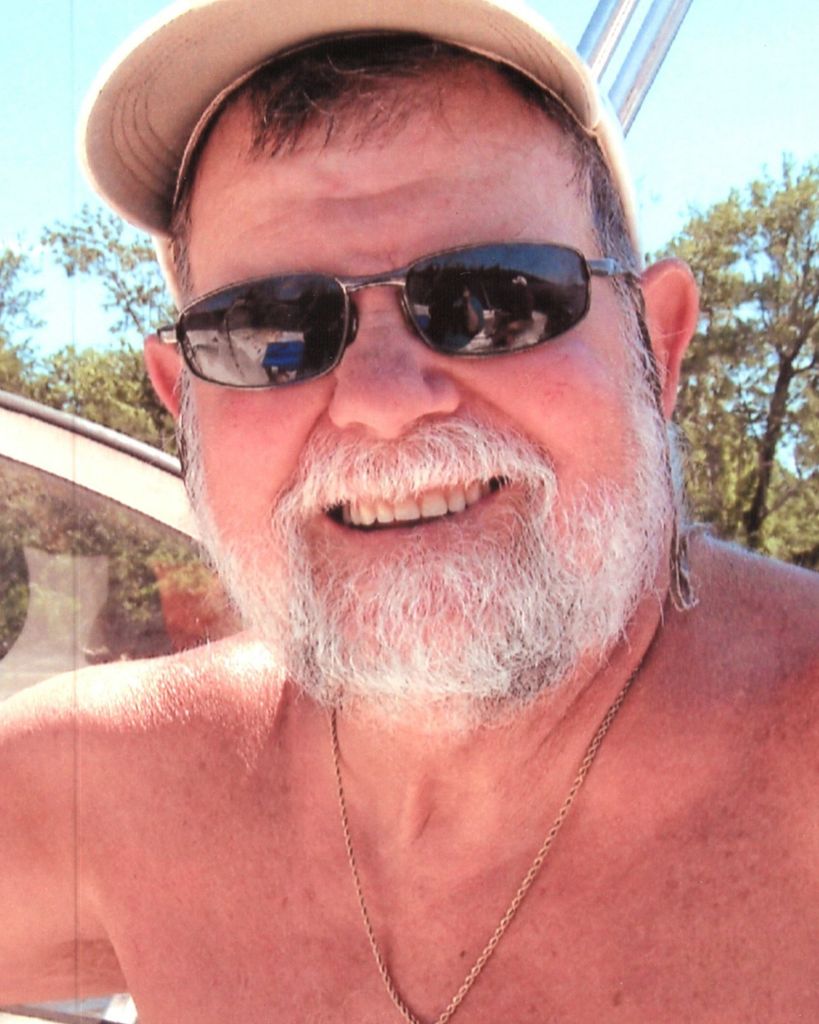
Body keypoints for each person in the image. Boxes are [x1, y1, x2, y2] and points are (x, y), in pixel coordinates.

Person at [2, 1, 817, 1021]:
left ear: (658, 349)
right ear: (184, 404)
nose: (384, 401)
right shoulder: (109, 792)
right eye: (271, 332)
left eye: (494, 300)